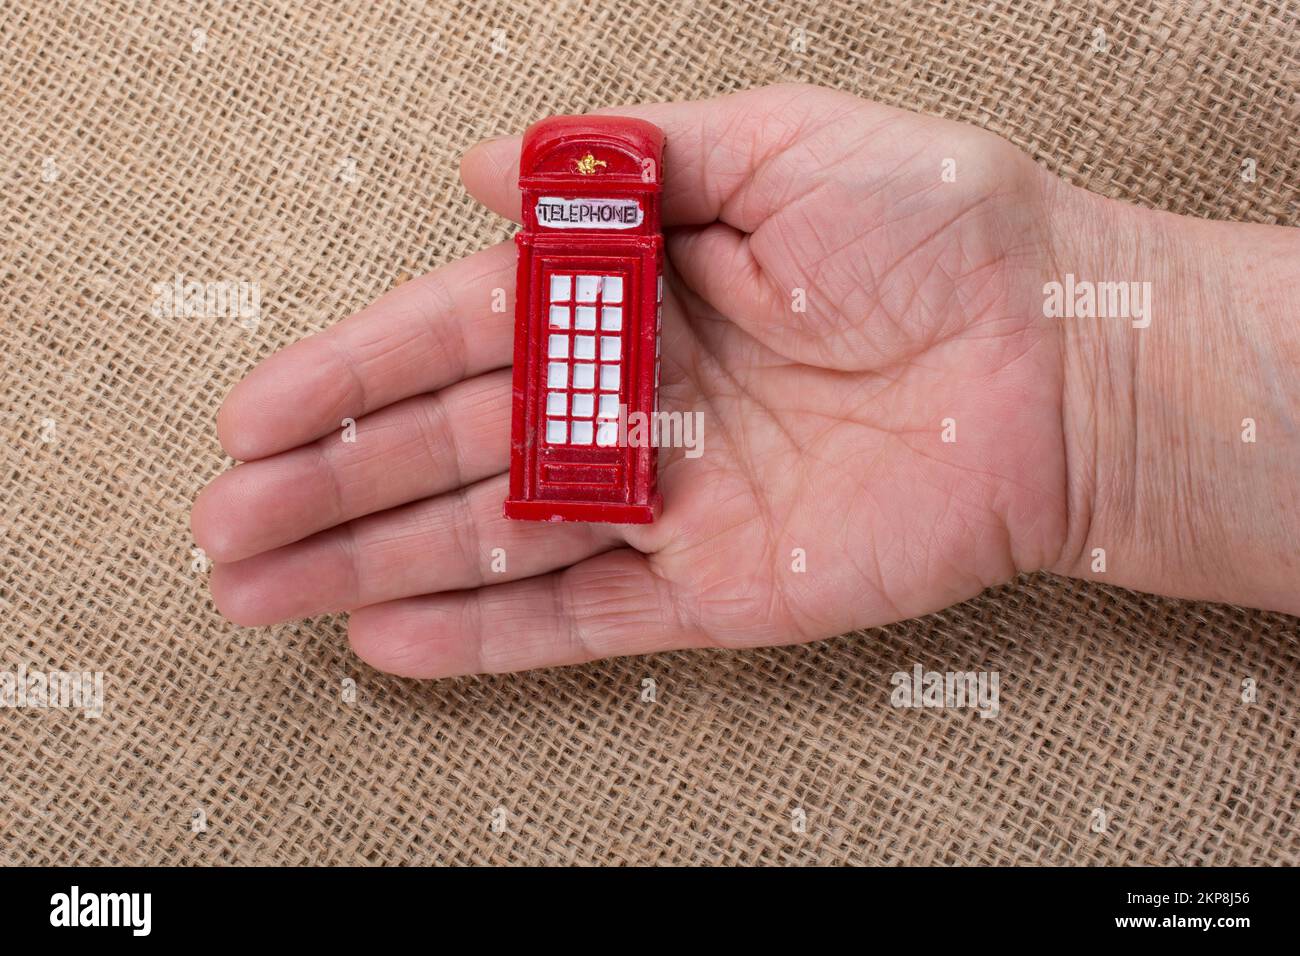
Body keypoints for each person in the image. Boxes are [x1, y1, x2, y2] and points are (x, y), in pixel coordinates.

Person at [190, 84, 1300, 678]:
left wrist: (1090, 366)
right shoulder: (579, 219)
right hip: (597, 432)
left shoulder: (619, 215)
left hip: (623, 423)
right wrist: (1106, 374)